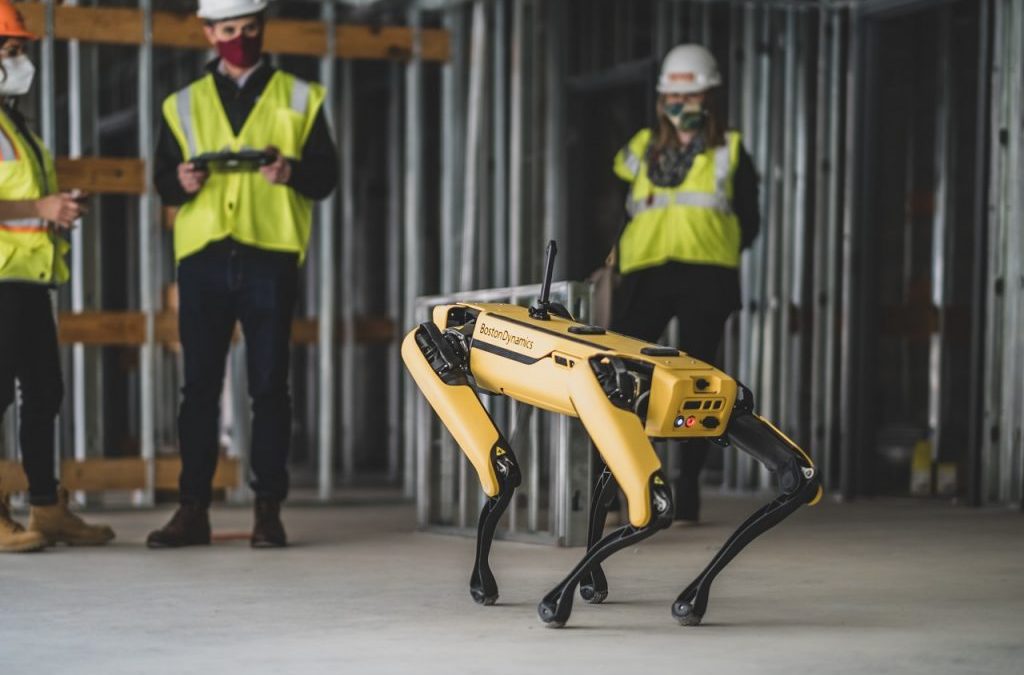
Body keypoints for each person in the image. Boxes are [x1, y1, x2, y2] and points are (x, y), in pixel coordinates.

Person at [147, 0, 337, 549]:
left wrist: (290, 170)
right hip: (203, 258)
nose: (241, 38)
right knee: (199, 389)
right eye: (230, 29)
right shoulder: (181, 104)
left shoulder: (301, 97)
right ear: (208, 33)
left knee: (269, 387)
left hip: (269, 254)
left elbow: (325, 176)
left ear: (262, 28)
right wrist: (178, 180)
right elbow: (161, 179)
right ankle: (193, 510)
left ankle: (267, 510)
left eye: (251, 28)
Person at [610, 44, 760, 523]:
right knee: (620, 378)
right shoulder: (637, 149)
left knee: (699, 387)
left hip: (705, 277)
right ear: (662, 101)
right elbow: (618, 209)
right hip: (646, 274)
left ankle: (688, 488)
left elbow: (750, 220)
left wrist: (715, 248)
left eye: (690, 97)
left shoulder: (730, 150)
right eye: (673, 98)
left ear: (708, 98)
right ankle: (625, 483)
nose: (681, 107)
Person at [0, 1, 114, 552]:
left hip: (28, 278)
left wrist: (58, 206)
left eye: (19, 49)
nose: (19, 60)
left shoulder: (14, 123)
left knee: (44, 391)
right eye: (9, 50)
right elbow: (23, 205)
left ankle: (46, 508)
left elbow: (26, 200)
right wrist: (40, 209)